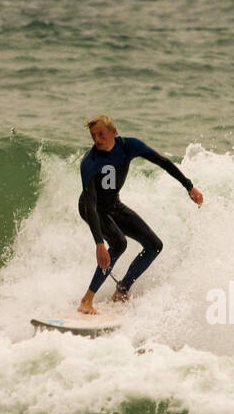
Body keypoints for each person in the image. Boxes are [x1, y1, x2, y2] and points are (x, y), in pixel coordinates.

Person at [76, 115, 204, 314]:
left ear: (114, 132)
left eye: (101, 134)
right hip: (90, 208)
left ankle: (122, 289)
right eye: (93, 135)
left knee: (154, 245)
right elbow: (91, 205)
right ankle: (86, 301)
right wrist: (99, 243)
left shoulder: (129, 146)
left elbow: (163, 162)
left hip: (114, 205)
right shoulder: (89, 163)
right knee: (118, 244)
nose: (97, 140)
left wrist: (189, 186)